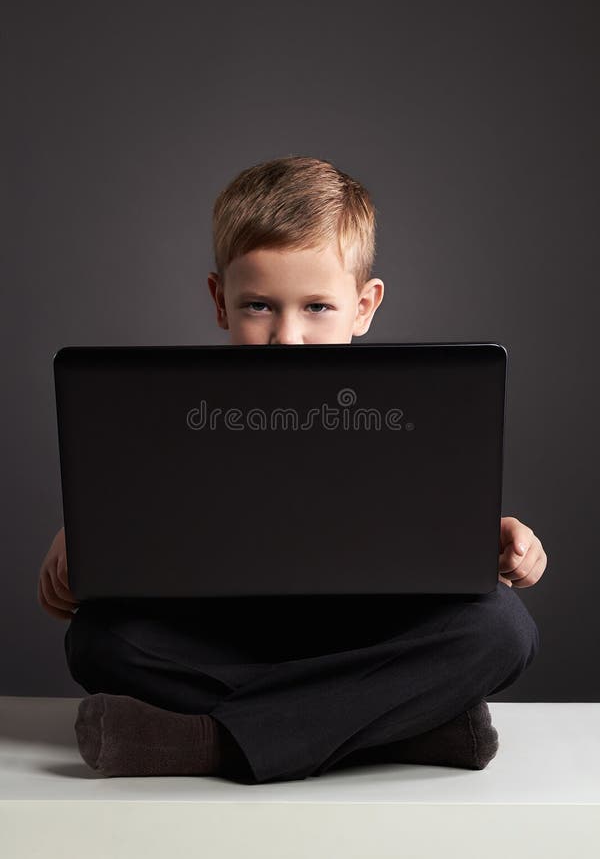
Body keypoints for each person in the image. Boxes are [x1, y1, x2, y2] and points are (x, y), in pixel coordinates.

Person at [38, 155, 546, 784]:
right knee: (98, 640)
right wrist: (91, 543)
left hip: (360, 645)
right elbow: (143, 520)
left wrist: (489, 538)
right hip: (227, 645)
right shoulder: (175, 412)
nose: (287, 335)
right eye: (259, 306)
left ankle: (209, 743)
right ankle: (395, 728)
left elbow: (429, 521)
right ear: (220, 301)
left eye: (317, 308)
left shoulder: (401, 411)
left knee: (501, 629)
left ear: (363, 306)